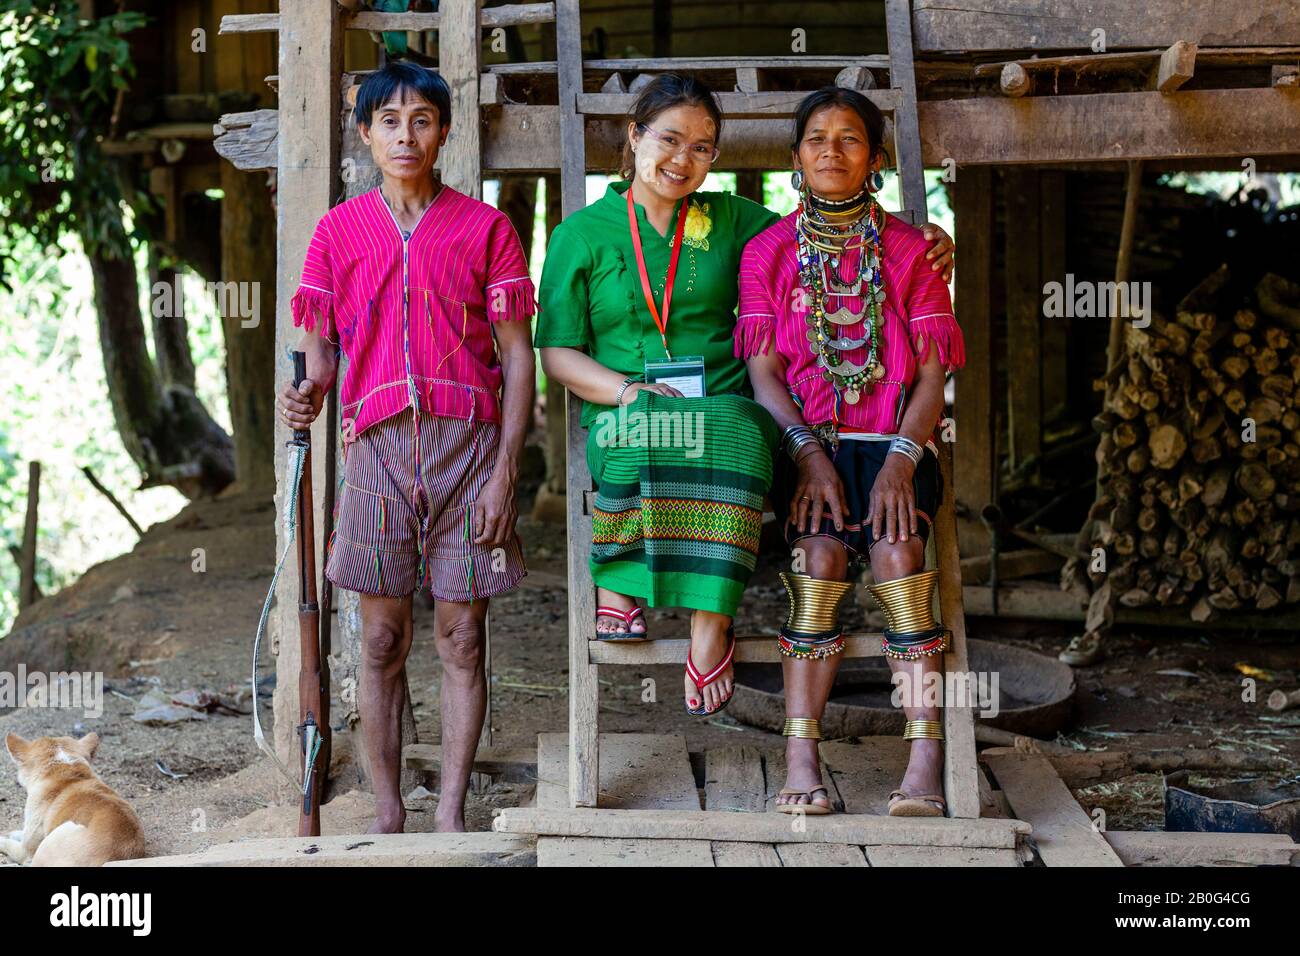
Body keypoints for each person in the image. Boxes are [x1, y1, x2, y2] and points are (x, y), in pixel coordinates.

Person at [536, 74, 955, 718]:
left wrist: (921, 236)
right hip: (626, 405)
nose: (683, 159)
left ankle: (710, 622)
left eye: (702, 148)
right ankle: (619, 574)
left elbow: (829, 221)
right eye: (669, 139)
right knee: (645, 426)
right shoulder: (581, 234)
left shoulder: (730, 219)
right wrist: (627, 390)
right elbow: (557, 352)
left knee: (735, 426)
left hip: (727, 408)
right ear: (635, 136)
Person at [276, 62, 535, 833]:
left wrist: (506, 471)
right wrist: (305, 391)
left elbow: (518, 354)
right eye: (388, 120)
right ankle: (388, 815)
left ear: (444, 131)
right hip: (378, 452)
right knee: (383, 639)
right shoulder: (338, 232)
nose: (405, 135)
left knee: (464, 636)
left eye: (422, 119)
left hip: (469, 452)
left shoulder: (485, 228)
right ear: (364, 133)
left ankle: (450, 815)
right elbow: (321, 351)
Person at [739, 87, 966, 816]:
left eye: (849, 138)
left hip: (898, 442)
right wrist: (807, 454)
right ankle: (801, 754)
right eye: (816, 138)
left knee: (901, 558)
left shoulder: (911, 249)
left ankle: (925, 754)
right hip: (809, 444)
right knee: (818, 562)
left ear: (875, 158)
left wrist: (902, 460)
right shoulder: (767, 252)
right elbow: (765, 375)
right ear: (795, 155)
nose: (830, 151)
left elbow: (931, 374)